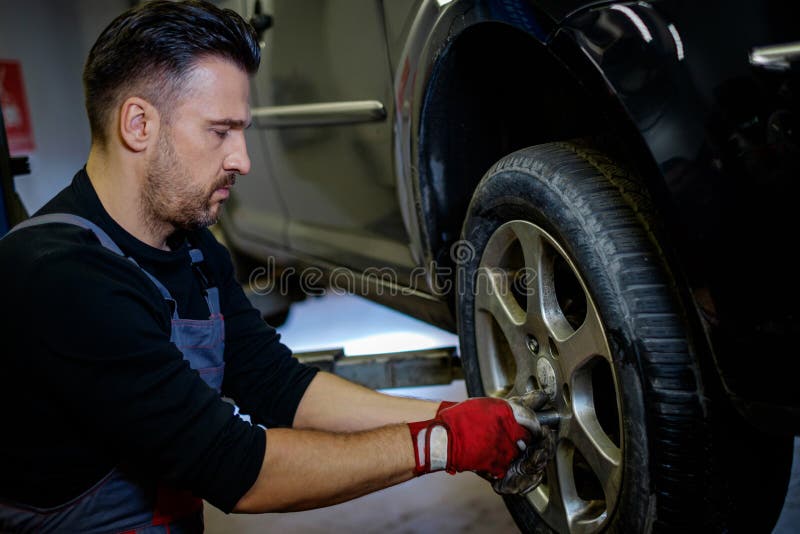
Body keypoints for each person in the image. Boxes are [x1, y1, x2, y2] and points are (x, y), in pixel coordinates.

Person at [0, 1, 553, 531]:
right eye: (219, 131)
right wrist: (440, 445)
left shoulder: (193, 249)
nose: (242, 160)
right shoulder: (60, 276)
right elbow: (239, 471)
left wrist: (448, 416)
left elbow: (280, 386)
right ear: (138, 125)